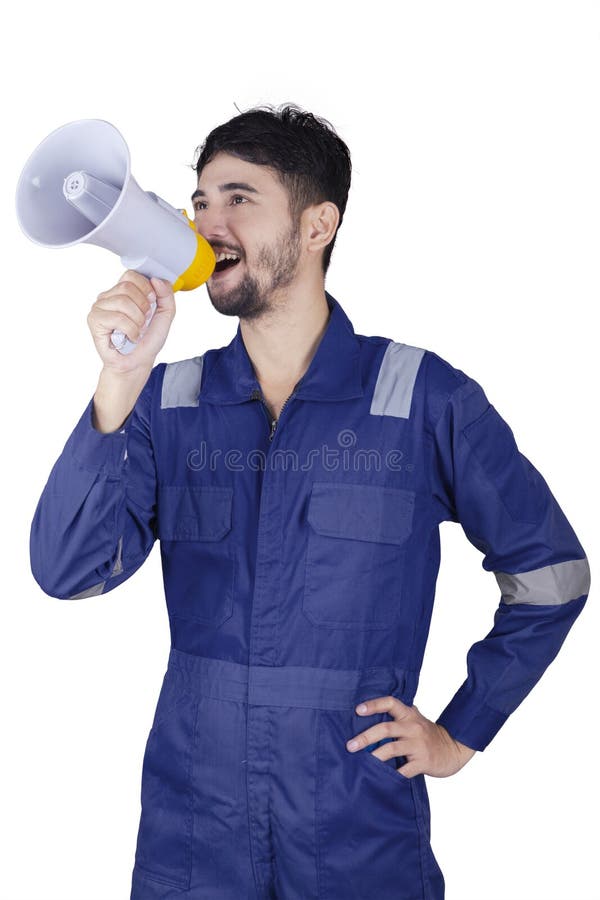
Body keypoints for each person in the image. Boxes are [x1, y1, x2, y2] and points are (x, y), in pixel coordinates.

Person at [30, 103, 590, 900]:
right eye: (197, 203)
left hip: (356, 830)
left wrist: (462, 731)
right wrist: (117, 379)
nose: (205, 224)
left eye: (237, 198)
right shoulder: (167, 398)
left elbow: (552, 574)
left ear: (319, 223)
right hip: (195, 828)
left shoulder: (420, 398)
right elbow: (66, 571)